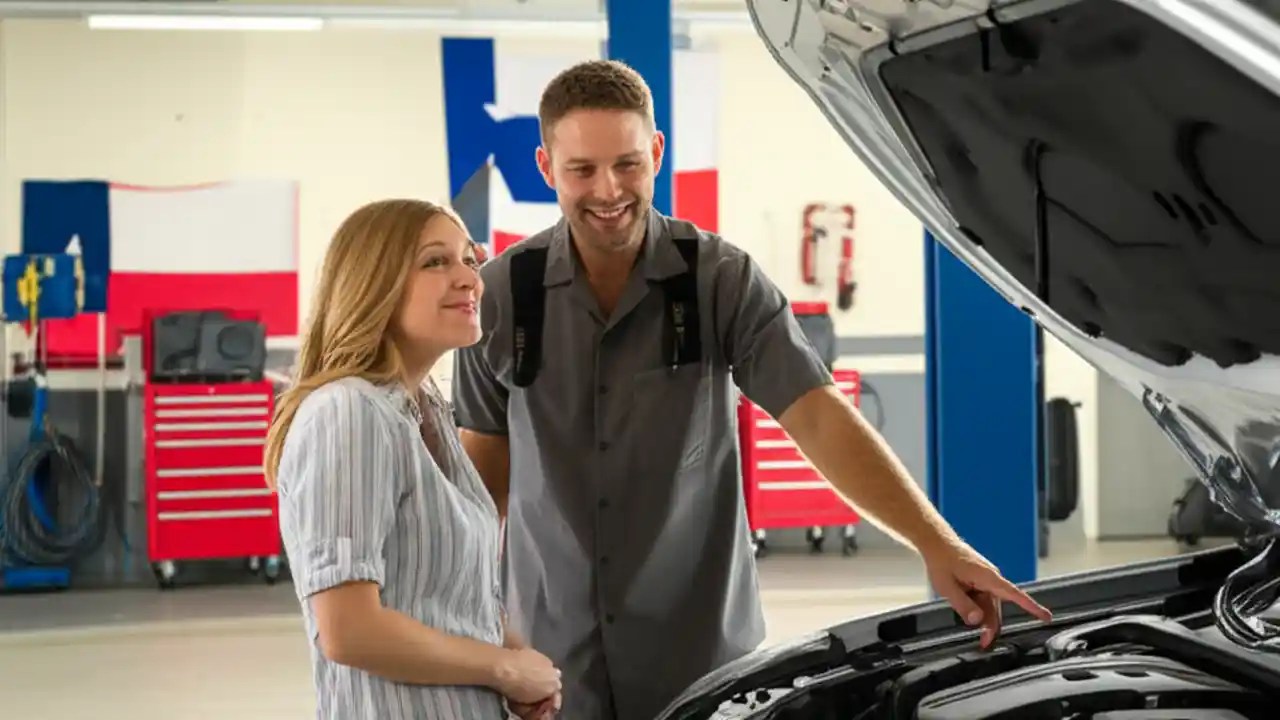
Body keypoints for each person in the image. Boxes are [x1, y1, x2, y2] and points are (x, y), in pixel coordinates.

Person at [452, 61, 1054, 720]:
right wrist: (475, 643)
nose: (609, 189)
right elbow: (482, 492)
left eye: (627, 164)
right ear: (545, 167)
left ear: (656, 152)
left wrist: (936, 543)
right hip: (551, 665)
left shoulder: (719, 280)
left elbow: (819, 416)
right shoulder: (502, 295)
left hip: (703, 663)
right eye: (583, 170)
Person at [264, 199, 563, 719]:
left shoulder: (426, 410)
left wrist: (516, 658)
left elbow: (451, 598)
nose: (470, 278)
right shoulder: (348, 411)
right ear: (373, 282)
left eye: (470, 259)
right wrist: (501, 668)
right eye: (435, 261)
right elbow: (350, 629)